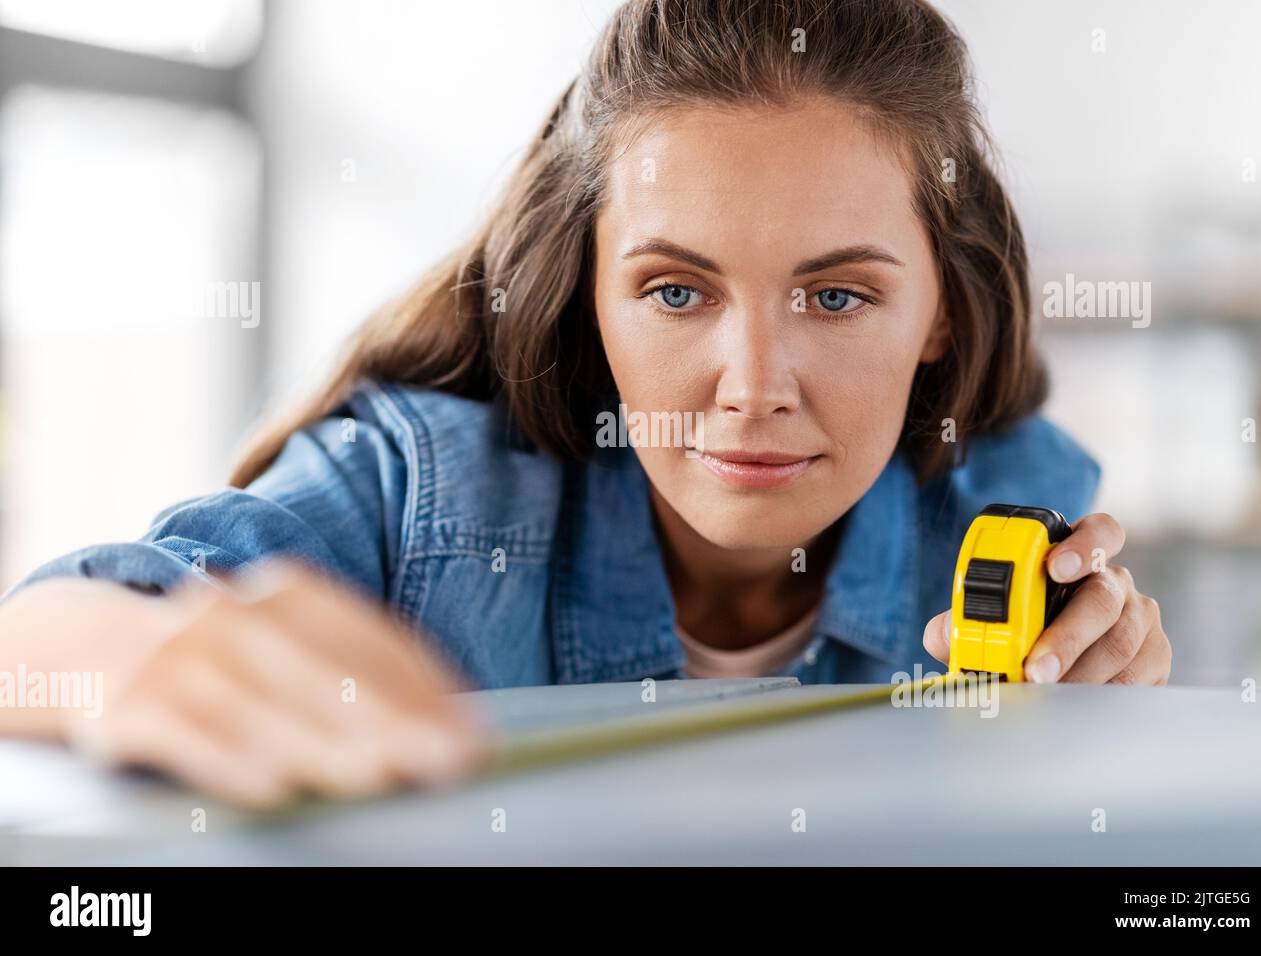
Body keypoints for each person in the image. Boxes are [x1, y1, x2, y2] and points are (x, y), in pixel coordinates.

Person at [0, 0, 1169, 808]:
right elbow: (31, 644)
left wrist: (1103, 722)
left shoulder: (1011, 517)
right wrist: (128, 659)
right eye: (673, 289)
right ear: (582, 301)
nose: (753, 384)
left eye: (835, 294)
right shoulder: (421, 492)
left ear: (942, 317)